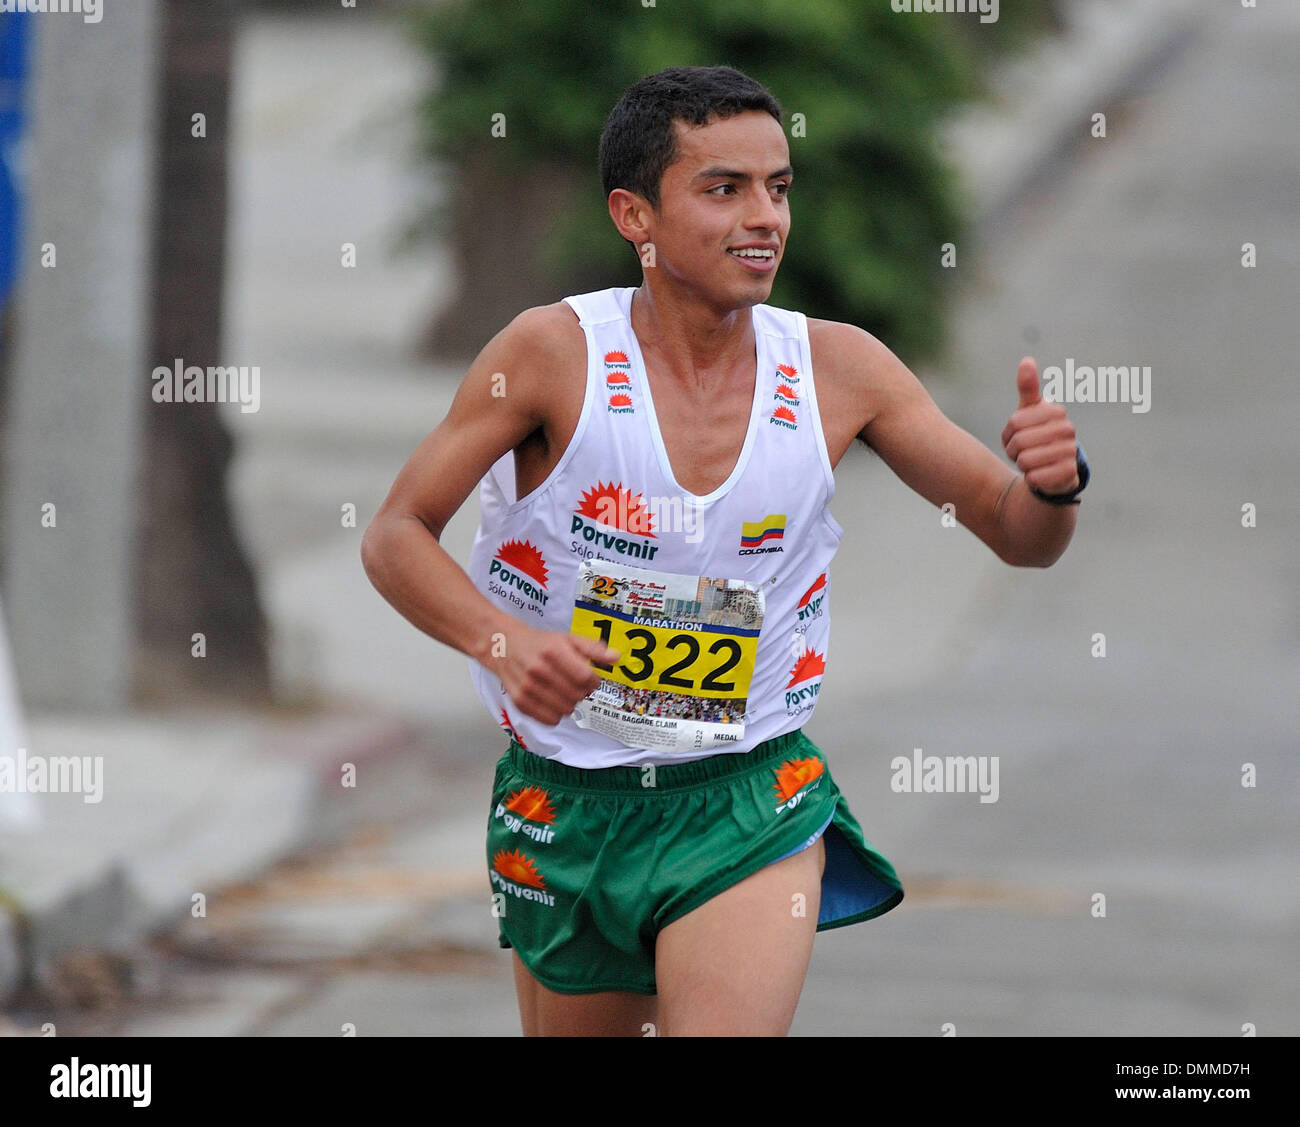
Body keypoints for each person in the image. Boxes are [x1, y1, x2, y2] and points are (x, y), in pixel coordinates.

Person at [362, 65, 1086, 1037]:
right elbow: (395, 534)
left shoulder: (838, 369)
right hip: (570, 799)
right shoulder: (549, 355)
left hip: (747, 796)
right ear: (635, 216)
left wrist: (1052, 486)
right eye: (723, 188)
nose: (764, 218)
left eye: (778, 188)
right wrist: (504, 643)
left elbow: (1016, 533)